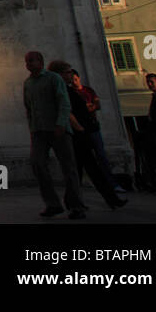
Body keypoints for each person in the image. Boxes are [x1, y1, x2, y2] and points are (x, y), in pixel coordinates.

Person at [49, 61, 127, 210]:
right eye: (68, 72)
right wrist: (79, 128)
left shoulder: (67, 89)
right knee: (87, 169)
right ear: (59, 74)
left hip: (79, 134)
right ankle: (106, 199)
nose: (71, 74)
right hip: (77, 135)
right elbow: (66, 111)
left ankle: (76, 201)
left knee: (79, 171)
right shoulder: (61, 90)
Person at [23, 50, 87, 218]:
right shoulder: (28, 83)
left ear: (41, 62)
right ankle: (52, 203)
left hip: (58, 129)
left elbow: (64, 102)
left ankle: (76, 206)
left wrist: (61, 123)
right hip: (39, 131)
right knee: (37, 164)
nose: (28, 64)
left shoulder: (54, 79)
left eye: (31, 61)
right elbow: (28, 108)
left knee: (69, 168)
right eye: (27, 61)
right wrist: (32, 127)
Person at [70, 68, 123, 192]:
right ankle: (82, 184)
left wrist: (87, 108)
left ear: (79, 78)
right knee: (81, 158)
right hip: (80, 129)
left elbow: (97, 105)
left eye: (75, 79)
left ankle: (111, 183)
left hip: (92, 127)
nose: (73, 82)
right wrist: (87, 107)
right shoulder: (71, 93)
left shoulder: (88, 91)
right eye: (72, 80)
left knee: (101, 155)